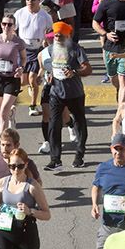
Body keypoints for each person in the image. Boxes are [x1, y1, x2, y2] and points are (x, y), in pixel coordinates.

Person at [45, 22, 92, 171]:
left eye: (60, 36)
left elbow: (88, 69)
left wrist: (75, 72)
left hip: (75, 93)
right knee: (54, 125)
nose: (57, 38)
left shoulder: (76, 49)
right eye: (55, 36)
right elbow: (48, 65)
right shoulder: (51, 49)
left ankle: (79, 156)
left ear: (68, 36)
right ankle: (55, 160)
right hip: (56, 92)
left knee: (79, 123)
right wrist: (48, 75)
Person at [0, 14, 27, 135]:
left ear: (14, 26)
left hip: (12, 79)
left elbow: (24, 58)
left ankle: (0, 144)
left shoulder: (18, 42)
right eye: (4, 24)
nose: (6, 26)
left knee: (3, 114)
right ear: (1, 25)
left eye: (10, 24)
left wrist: (21, 68)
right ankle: (11, 115)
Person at [14, 0, 54, 116]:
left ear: (39, 0)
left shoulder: (45, 16)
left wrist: (47, 43)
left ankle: (33, 106)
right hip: (23, 51)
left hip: (37, 50)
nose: (30, 1)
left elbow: (50, 33)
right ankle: (31, 88)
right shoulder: (19, 13)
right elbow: (13, 29)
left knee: (33, 79)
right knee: (23, 81)